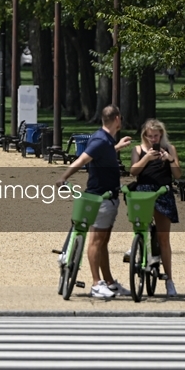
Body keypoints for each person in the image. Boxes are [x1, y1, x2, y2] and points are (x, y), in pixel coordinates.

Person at [58, 105, 133, 299]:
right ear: (117, 118)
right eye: (121, 118)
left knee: (103, 242)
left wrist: (117, 147)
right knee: (96, 241)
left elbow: (100, 156)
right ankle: (95, 283)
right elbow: (83, 160)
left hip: (109, 197)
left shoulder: (106, 140)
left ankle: (109, 282)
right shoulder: (101, 140)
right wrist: (64, 176)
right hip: (101, 197)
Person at [129, 119, 182, 297]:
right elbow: (133, 171)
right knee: (140, 224)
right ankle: (137, 247)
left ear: (161, 135)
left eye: (156, 136)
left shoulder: (170, 149)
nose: (153, 139)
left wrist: (170, 159)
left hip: (163, 192)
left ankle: (169, 281)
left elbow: (178, 174)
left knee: (164, 238)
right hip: (144, 192)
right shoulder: (138, 149)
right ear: (145, 135)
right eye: (150, 136)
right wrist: (146, 158)